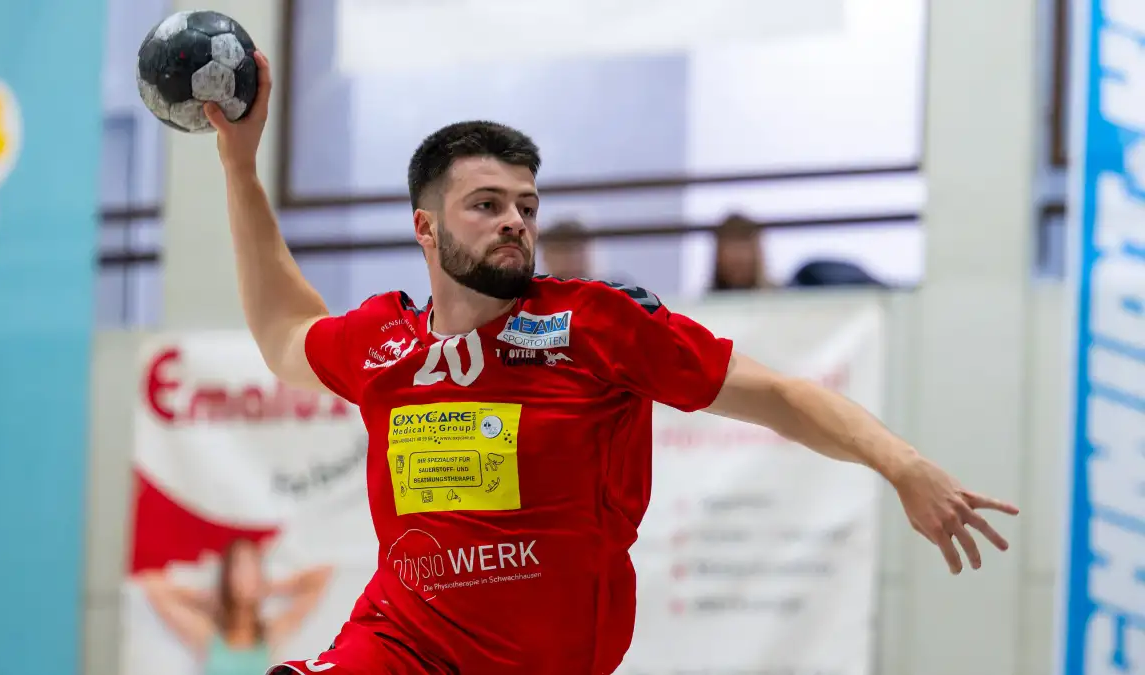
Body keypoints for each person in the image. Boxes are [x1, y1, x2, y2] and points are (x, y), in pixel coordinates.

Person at [204, 51, 1020, 675]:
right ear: (426, 229)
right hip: (402, 645)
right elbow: (284, 333)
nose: (515, 221)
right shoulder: (386, 344)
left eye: (527, 205)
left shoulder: (594, 324)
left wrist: (903, 465)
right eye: (486, 205)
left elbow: (782, 396)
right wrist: (240, 168)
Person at [138, 538, 332, 675]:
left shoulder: (270, 634)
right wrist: (205, 598)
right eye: (239, 566)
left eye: (253, 566)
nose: (246, 575)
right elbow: (153, 587)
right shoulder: (207, 636)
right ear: (226, 576)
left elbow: (321, 577)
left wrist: (271, 588)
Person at [710, 213, 769, 291]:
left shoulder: (780, 297)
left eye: (744, 248)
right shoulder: (703, 301)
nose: (739, 257)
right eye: (732, 248)